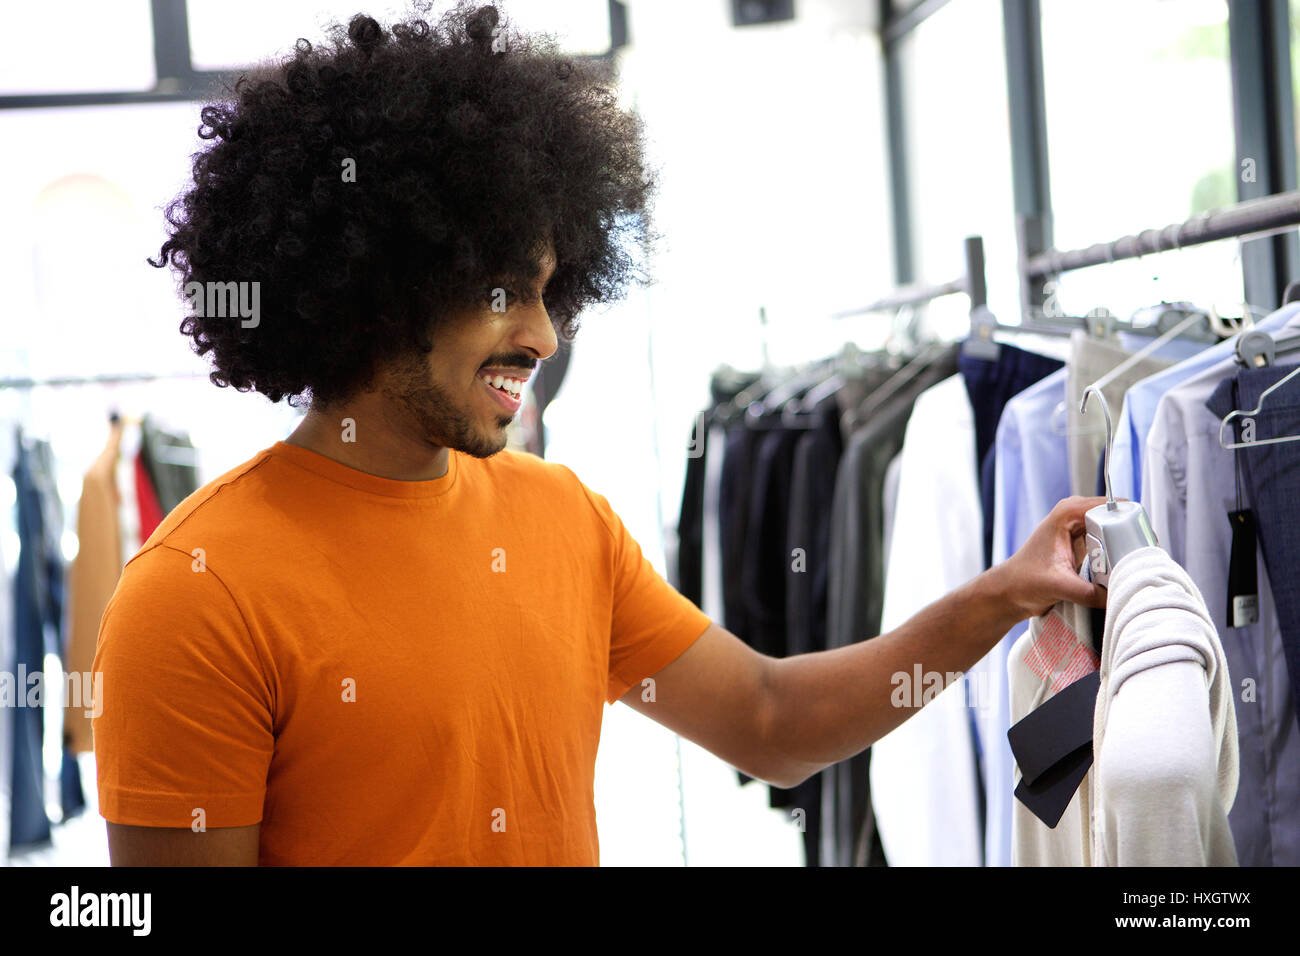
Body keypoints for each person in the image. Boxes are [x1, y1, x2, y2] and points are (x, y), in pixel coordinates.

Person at [95, 2, 1107, 865]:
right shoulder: (195, 593)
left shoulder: (560, 516)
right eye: (501, 293)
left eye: (548, 291)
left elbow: (771, 723)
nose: (540, 334)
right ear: (378, 288)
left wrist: (997, 599)